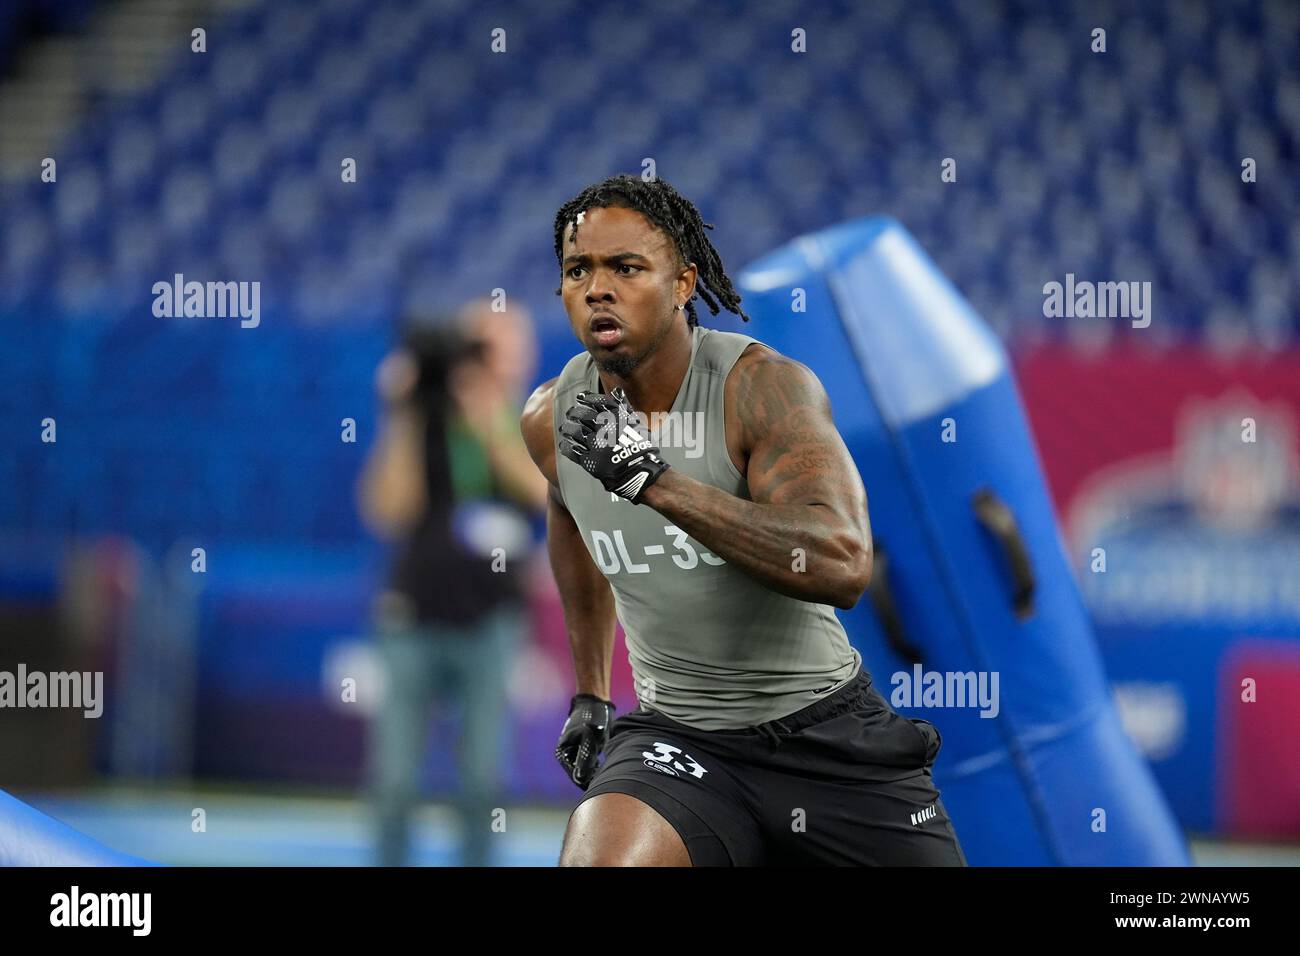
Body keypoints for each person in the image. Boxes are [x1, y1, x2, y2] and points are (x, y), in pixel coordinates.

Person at [519, 174, 967, 865]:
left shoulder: (760, 389)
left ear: (682, 283)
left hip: (825, 737)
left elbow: (842, 562)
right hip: (679, 741)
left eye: (626, 267)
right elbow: (569, 512)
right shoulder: (552, 418)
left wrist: (657, 483)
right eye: (579, 269)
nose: (597, 288)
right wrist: (589, 688)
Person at [358, 298, 546, 867]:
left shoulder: (533, 419)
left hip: (490, 622)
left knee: (483, 782)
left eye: (502, 349)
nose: (489, 363)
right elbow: (386, 511)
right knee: (393, 782)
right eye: (478, 348)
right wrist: (405, 414)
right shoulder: (424, 421)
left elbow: (547, 494)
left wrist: (488, 420)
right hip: (412, 616)